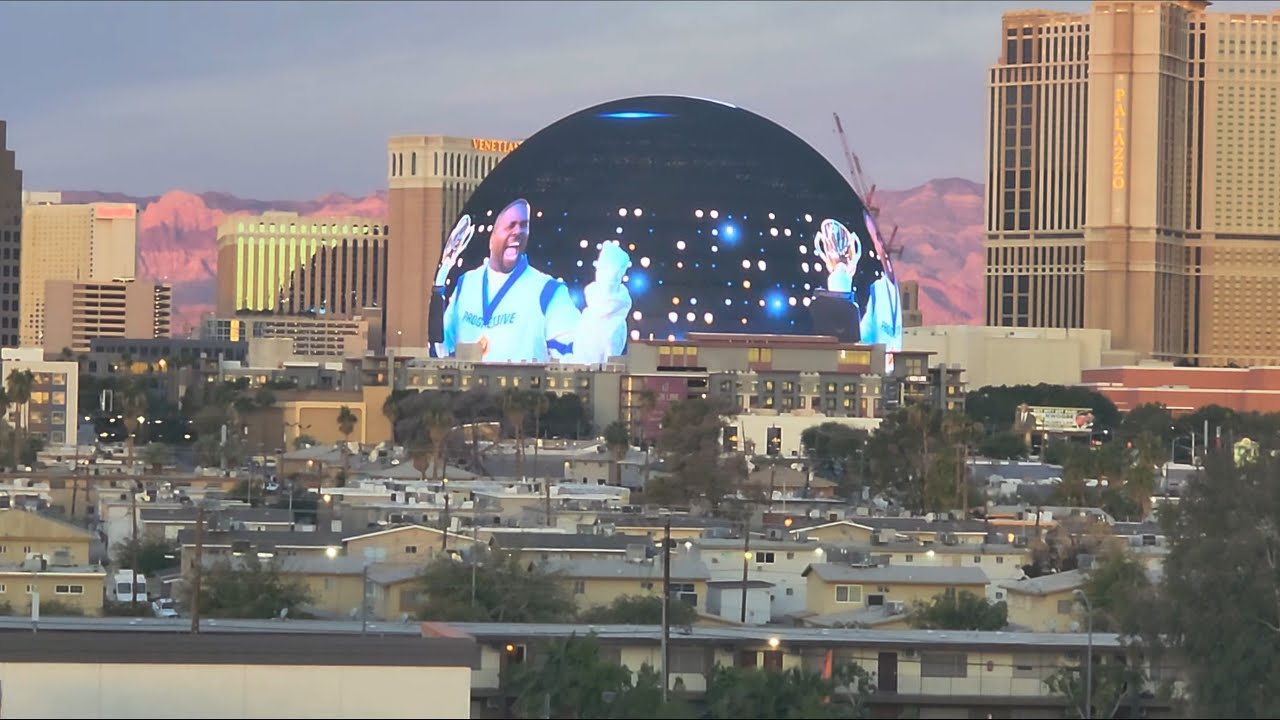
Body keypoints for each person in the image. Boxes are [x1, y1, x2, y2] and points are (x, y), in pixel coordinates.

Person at [431, 198, 631, 363]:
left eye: (524, 226)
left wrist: (606, 299)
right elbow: (442, 348)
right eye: (510, 225)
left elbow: (581, 357)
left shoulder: (549, 291)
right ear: (491, 237)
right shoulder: (466, 283)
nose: (518, 231)